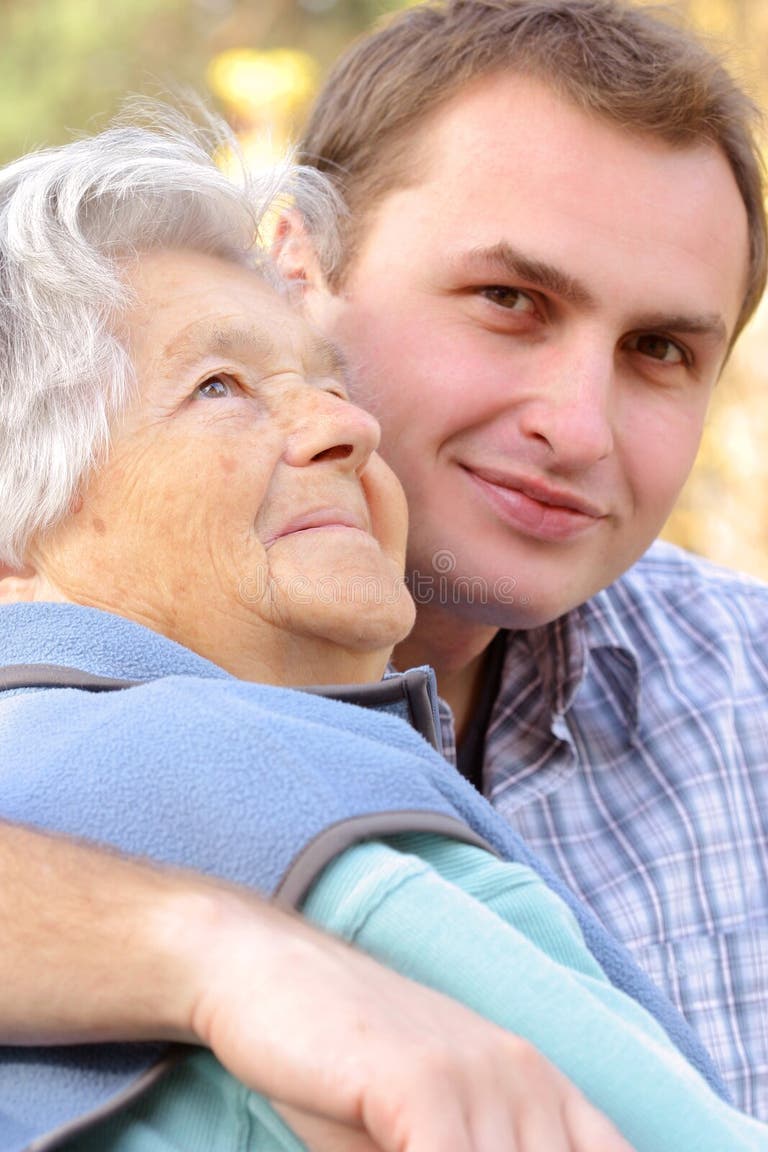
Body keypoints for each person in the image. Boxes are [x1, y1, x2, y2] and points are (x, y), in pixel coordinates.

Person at [0, 0, 766, 1137]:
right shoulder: (113, 679)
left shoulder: (747, 687)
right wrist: (219, 954)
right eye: (509, 301)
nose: (579, 430)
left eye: (659, 349)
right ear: (294, 273)